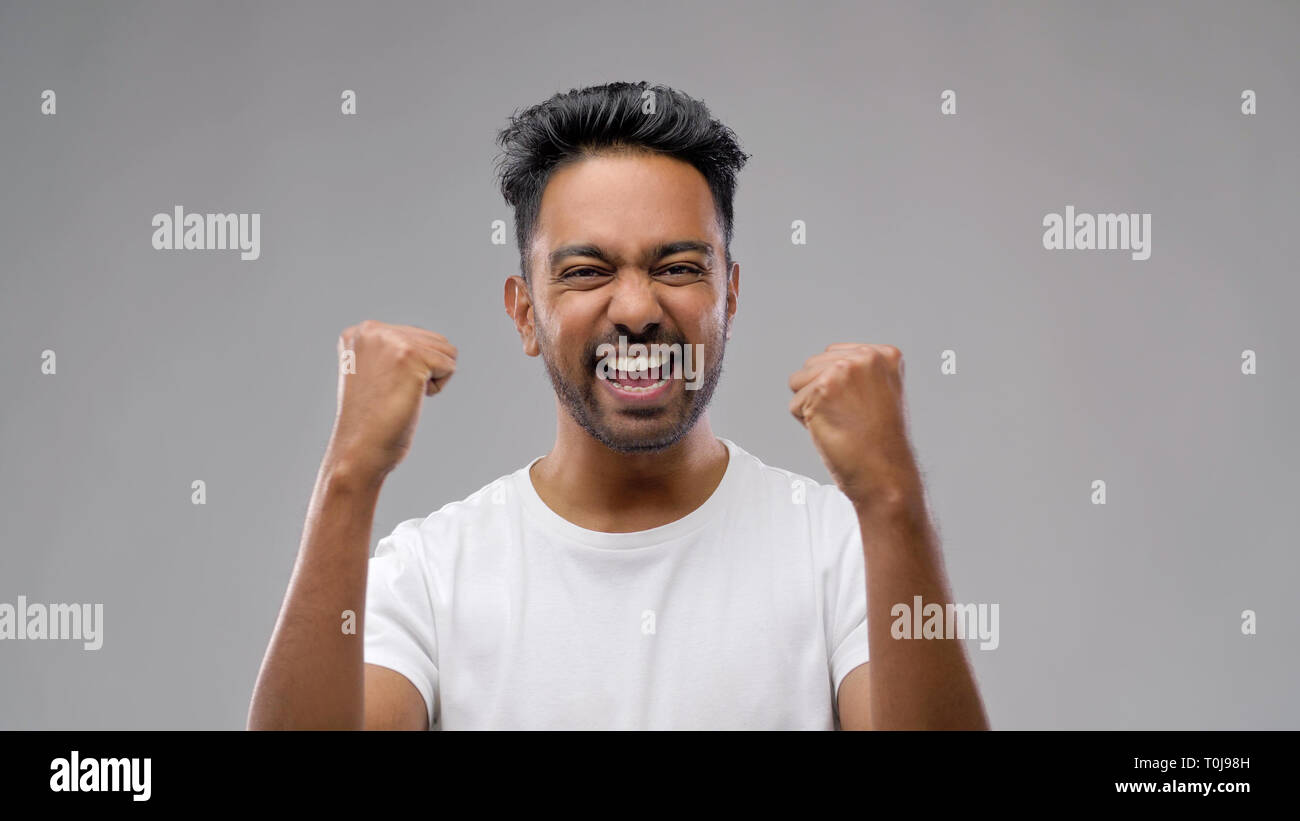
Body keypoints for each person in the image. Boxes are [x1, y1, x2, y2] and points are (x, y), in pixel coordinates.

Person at [248, 81, 988, 730]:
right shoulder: (431, 575)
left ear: (729, 292)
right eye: (586, 270)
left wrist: (893, 501)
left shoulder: (839, 551)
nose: (636, 307)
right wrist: (348, 477)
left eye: (677, 266)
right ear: (523, 313)